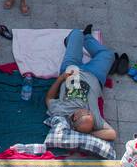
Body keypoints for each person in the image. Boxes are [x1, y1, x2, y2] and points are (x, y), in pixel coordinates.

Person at [39, 27, 118, 157]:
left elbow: (48, 98)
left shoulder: (61, 111)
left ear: (75, 117)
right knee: (108, 55)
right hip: (95, 75)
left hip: (71, 69)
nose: (88, 111)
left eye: (86, 113)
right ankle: (88, 37)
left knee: (75, 33)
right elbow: (112, 134)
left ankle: (70, 41)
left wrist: (60, 79)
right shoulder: (95, 120)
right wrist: (90, 134)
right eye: (90, 113)